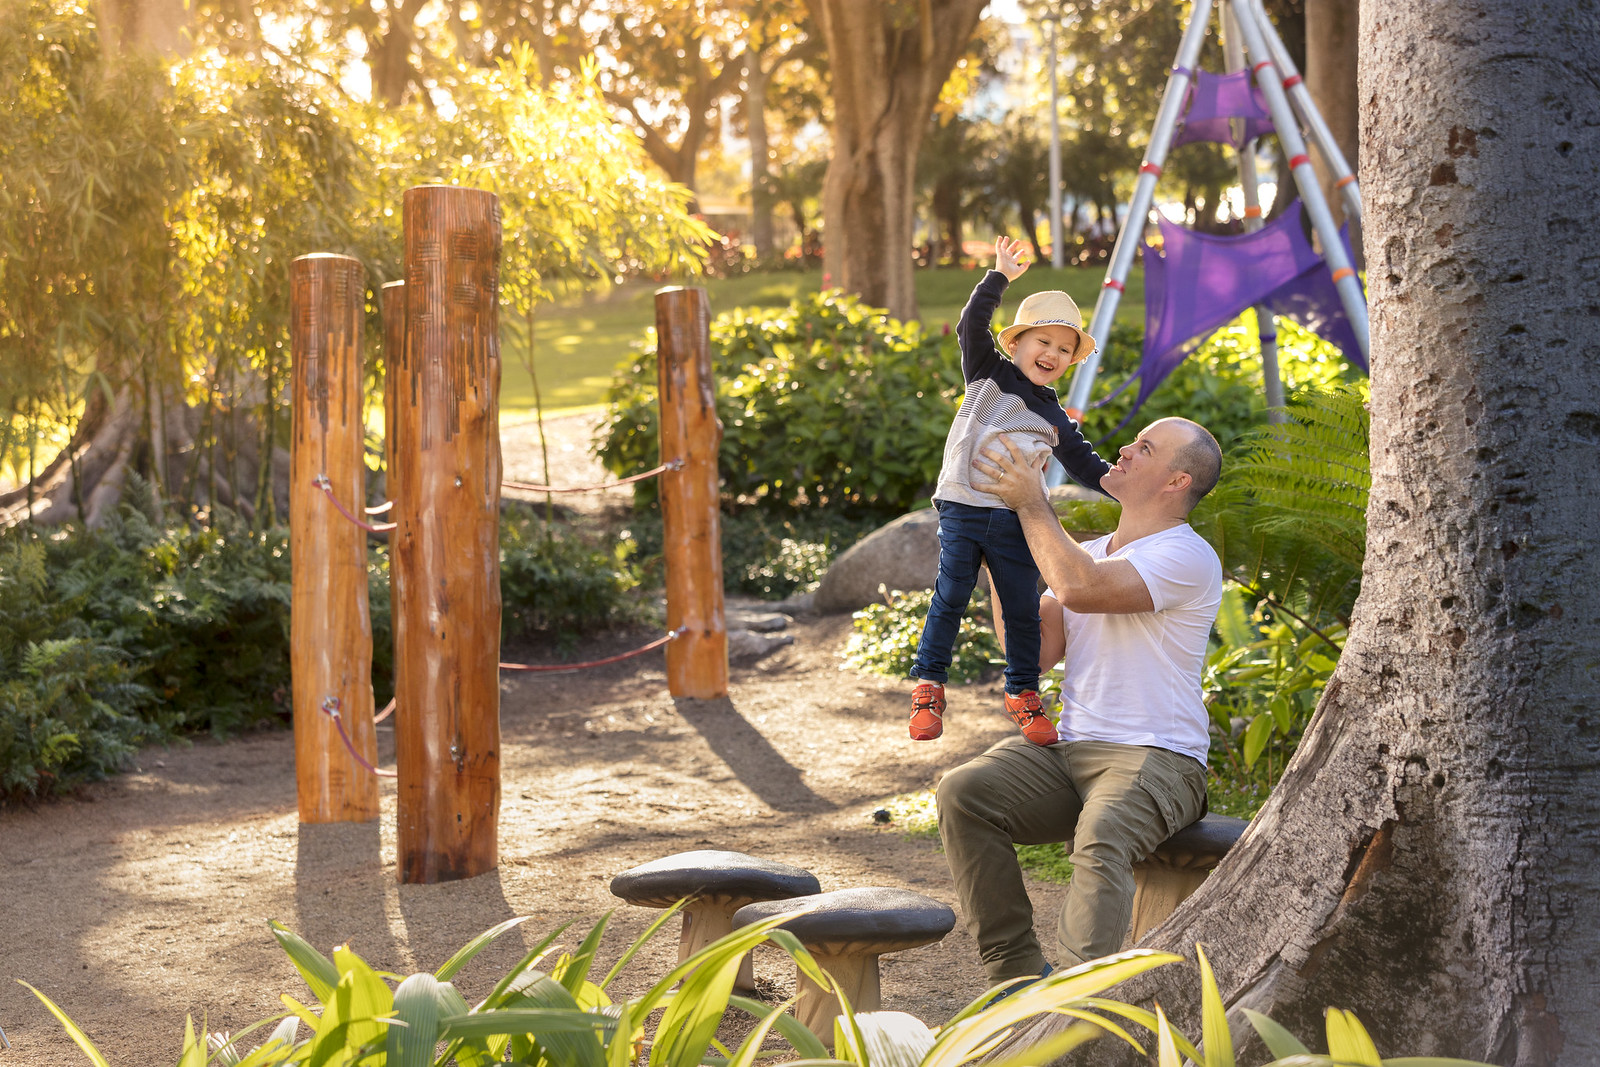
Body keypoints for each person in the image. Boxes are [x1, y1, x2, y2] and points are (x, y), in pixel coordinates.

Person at [935, 416, 1224, 988]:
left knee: (1104, 831)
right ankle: (1016, 978)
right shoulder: (1086, 552)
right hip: (1071, 750)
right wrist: (999, 546)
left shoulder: (1187, 557)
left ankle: (1071, 1009)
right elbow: (1037, 649)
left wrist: (1030, 502)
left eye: (1144, 449)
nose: (1124, 450)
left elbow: (1082, 590)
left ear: (1176, 482)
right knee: (964, 794)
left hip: (1160, 758)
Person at [908, 236, 1112, 747]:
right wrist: (999, 276)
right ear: (1015, 343)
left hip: (1015, 522)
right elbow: (969, 324)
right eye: (1043, 341)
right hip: (961, 508)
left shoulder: (1054, 417)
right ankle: (929, 688)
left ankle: (1023, 694)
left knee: (1022, 608)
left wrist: (1126, 487)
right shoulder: (986, 371)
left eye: (1065, 349)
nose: (1053, 354)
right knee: (950, 595)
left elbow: (1088, 466)